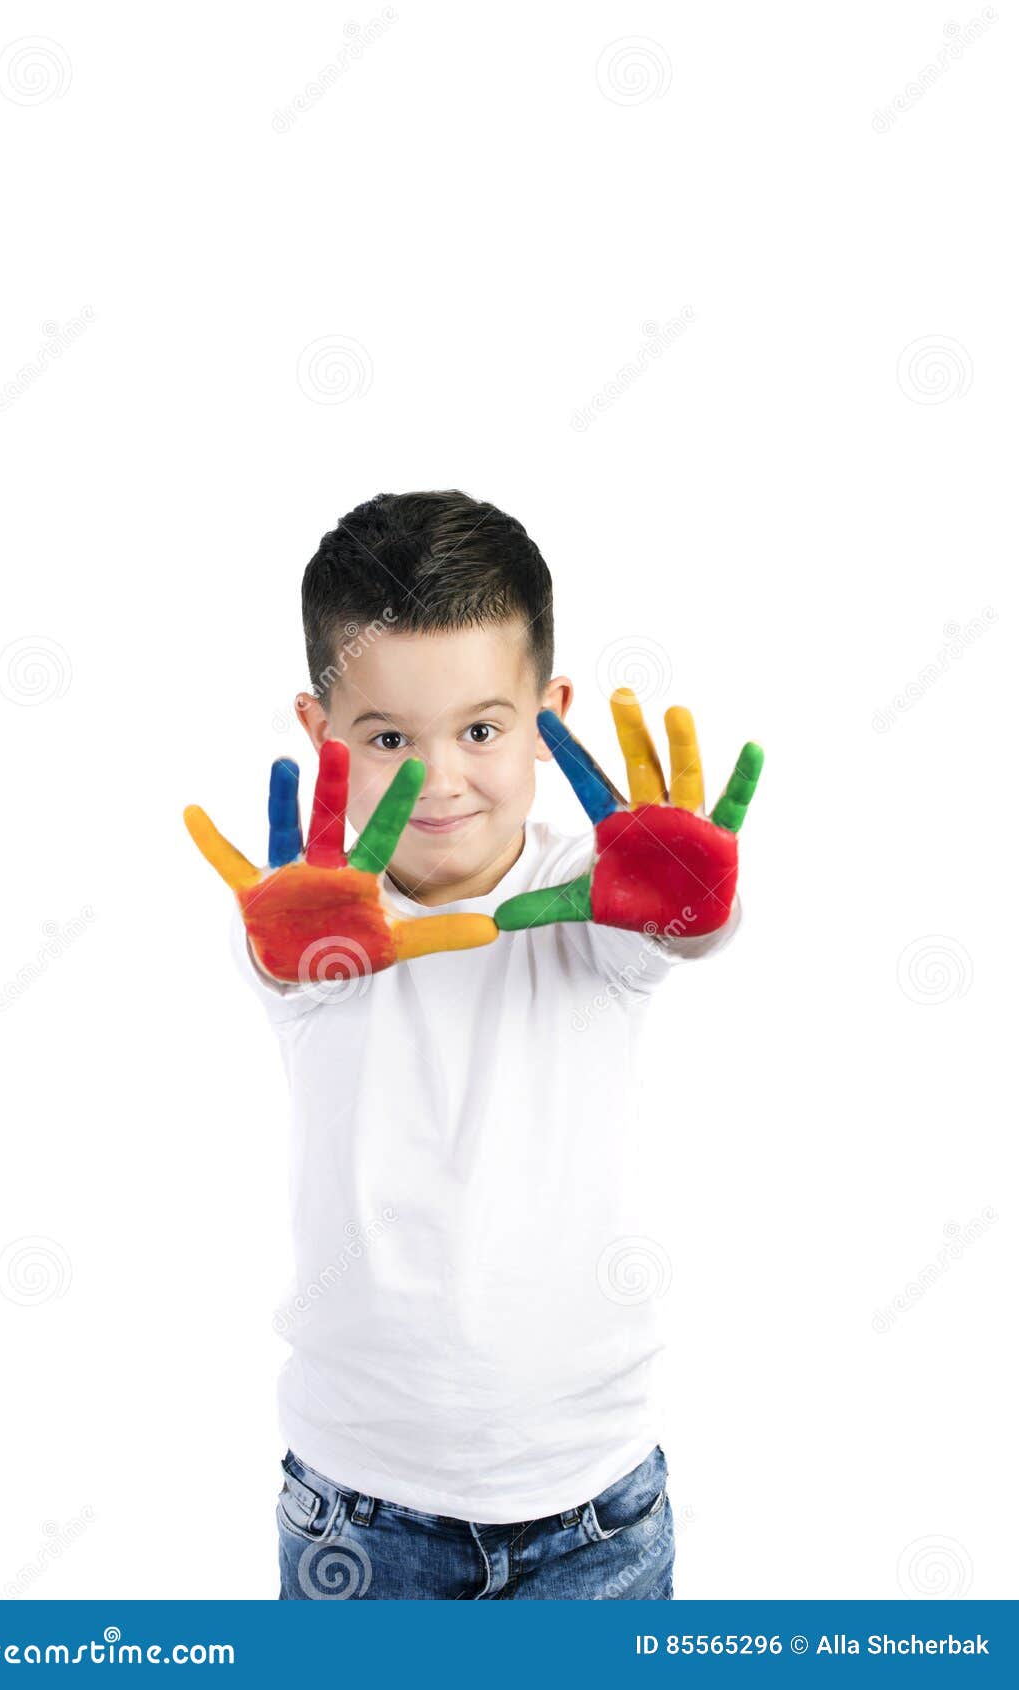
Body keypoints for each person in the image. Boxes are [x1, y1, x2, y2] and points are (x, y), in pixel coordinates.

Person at [184, 489, 761, 1599]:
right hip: (359, 1503)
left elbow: (674, 936)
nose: (440, 778)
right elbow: (277, 967)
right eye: (391, 736)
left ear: (553, 714)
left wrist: (693, 904)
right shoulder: (311, 924)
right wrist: (280, 949)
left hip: (596, 1508)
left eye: (483, 730)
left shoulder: (595, 901)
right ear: (321, 734)